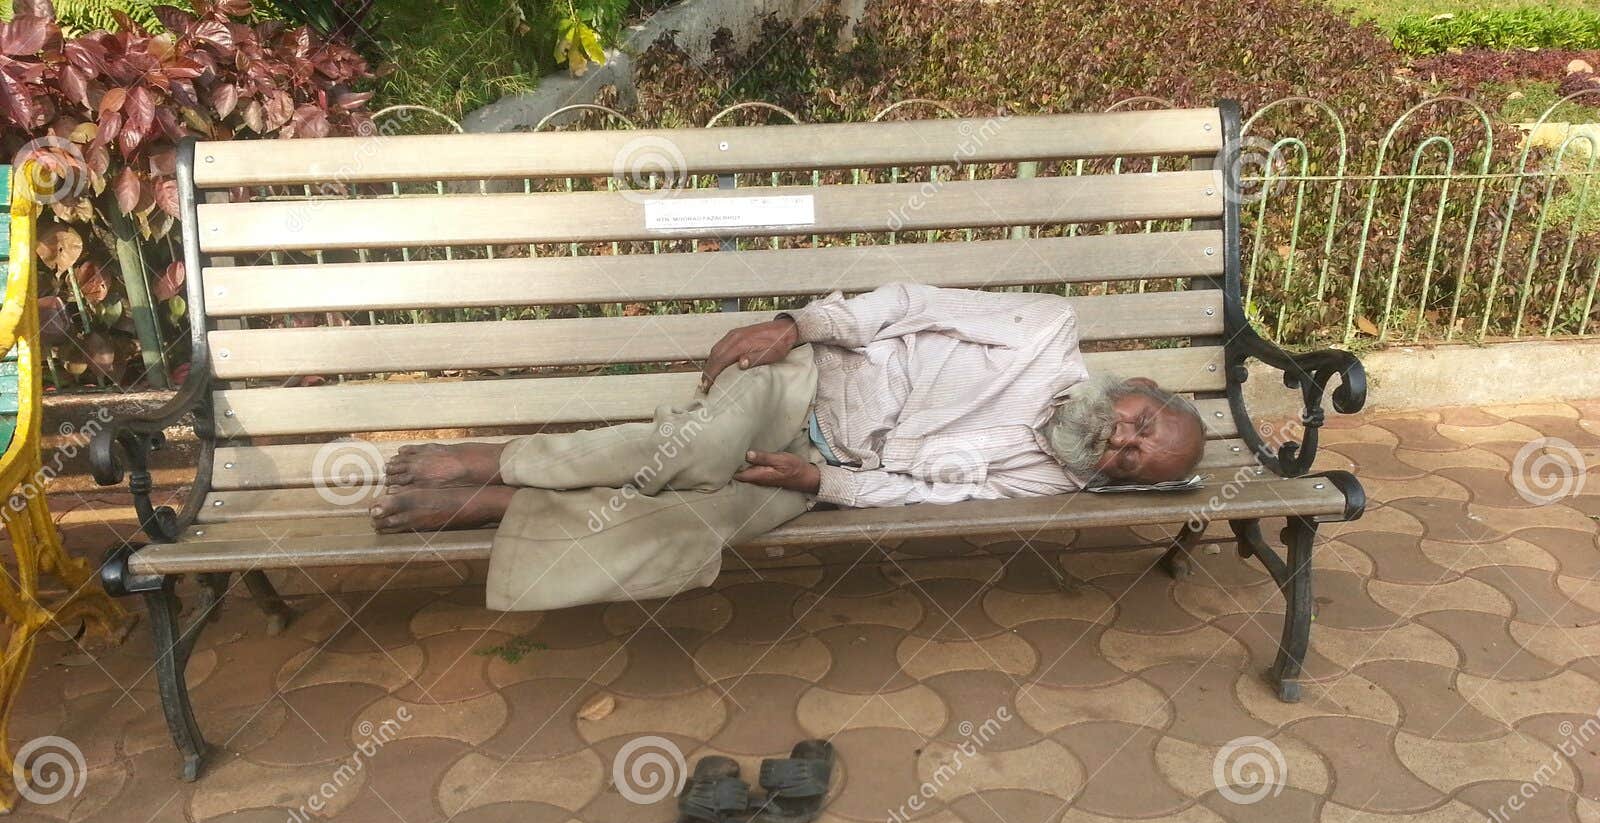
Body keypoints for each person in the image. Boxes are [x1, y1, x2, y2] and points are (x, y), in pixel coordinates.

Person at [372, 283, 1207, 611]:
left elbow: (922, 495)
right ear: (1142, 389)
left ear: (1115, 482)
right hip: (804, 385)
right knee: (698, 451)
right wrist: (794, 326)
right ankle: (497, 463)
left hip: (816, 473)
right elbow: (905, 305)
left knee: (693, 531)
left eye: (1131, 460)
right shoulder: (1044, 333)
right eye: (1141, 422)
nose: (1121, 440)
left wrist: (823, 481)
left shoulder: (1046, 480)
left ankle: (507, 502)